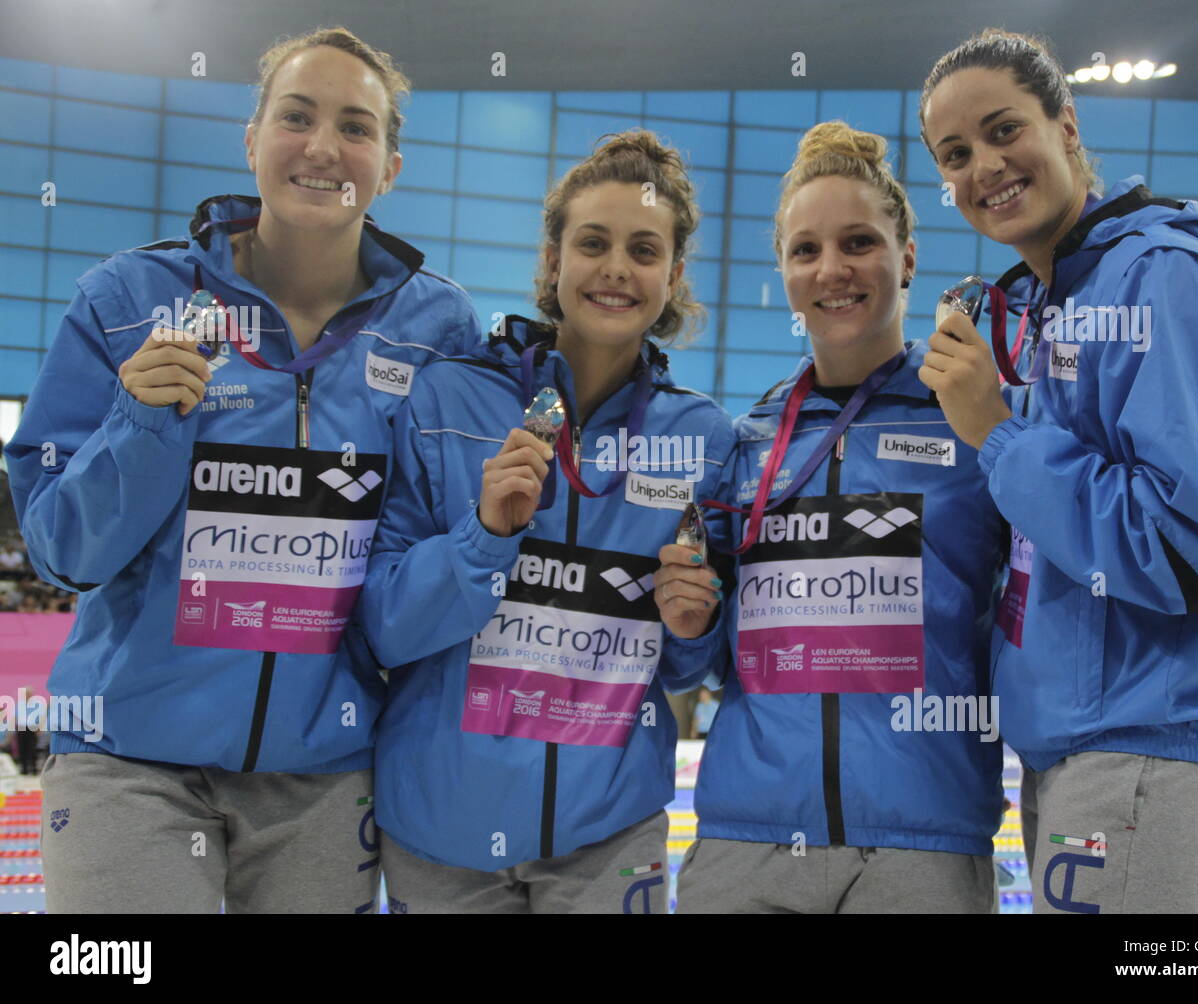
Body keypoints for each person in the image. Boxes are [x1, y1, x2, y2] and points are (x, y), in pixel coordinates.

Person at [3, 27, 480, 913]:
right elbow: (64, 552)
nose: (325, 147)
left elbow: (434, 555)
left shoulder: (439, 330)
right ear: (252, 138)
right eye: (297, 117)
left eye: (357, 127)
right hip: (129, 758)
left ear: (393, 166)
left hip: (326, 773)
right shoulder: (126, 302)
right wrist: (141, 423)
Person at [917, 28, 1198, 913]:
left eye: (1005, 131)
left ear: (1066, 124)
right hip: (1082, 748)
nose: (985, 168)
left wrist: (997, 434)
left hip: (1147, 753)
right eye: (955, 154)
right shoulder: (1060, 301)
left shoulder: (1164, 278)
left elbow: (1194, 554)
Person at [358, 130, 734, 914]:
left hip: (608, 831)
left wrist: (694, 626)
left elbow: (681, 669)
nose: (616, 269)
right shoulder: (447, 401)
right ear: (553, 260)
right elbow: (385, 626)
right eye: (592, 243)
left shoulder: (700, 437)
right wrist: (484, 536)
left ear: (673, 274)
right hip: (442, 829)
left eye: (643, 249)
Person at [661, 122, 1007, 914]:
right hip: (747, 841)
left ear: (907, 257)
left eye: (858, 242)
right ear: (782, 269)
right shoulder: (746, 444)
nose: (833, 270)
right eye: (805, 250)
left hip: (924, 844)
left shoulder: (974, 424)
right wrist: (687, 627)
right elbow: (701, 664)